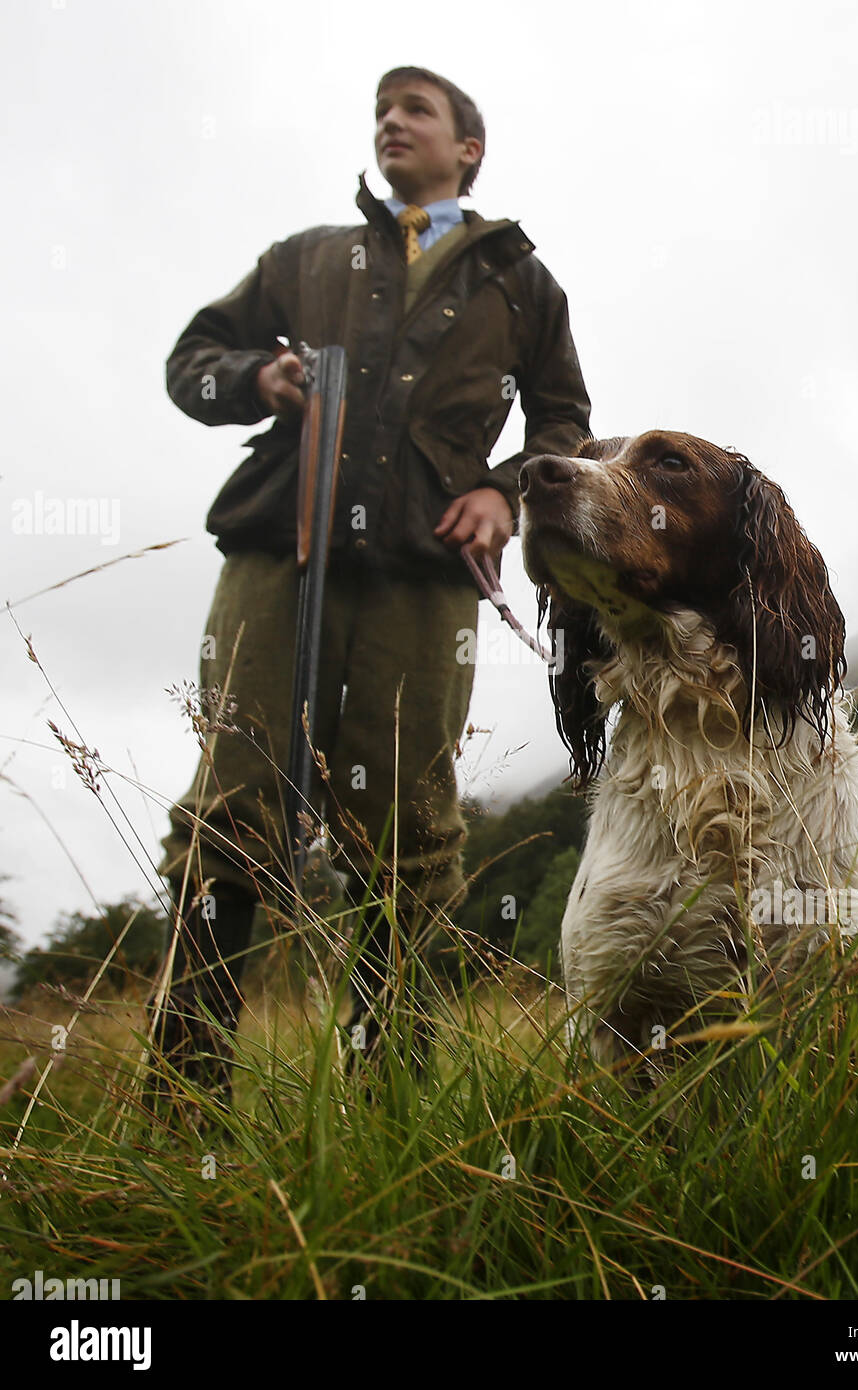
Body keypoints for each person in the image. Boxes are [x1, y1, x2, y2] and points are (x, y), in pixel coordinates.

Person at [148, 65, 590, 1117]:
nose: (392, 123)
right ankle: (184, 1098)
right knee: (231, 812)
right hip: (276, 557)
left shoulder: (522, 281)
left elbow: (564, 417)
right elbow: (188, 362)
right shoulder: (308, 258)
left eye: (417, 111)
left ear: (466, 149)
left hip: (426, 584)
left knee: (410, 836)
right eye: (382, 112)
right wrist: (258, 378)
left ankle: (392, 1100)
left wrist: (502, 491)